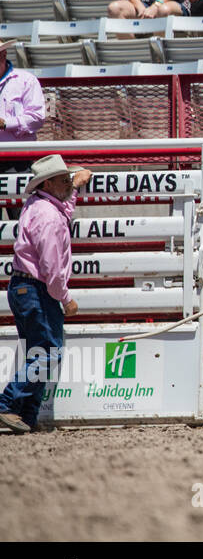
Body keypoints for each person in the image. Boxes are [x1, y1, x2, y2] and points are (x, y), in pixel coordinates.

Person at [0, 156, 93, 433]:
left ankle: (26, 415)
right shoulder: (50, 217)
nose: (69, 182)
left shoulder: (38, 205)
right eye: (64, 179)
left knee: (39, 350)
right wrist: (65, 298)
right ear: (49, 183)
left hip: (23, 286)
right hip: (37, 289)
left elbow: (62, 207)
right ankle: (7, 404)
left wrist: (73, 187)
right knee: (48, 352)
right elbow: (52, 268)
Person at [0, 39, 46, 142]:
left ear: (3, 55)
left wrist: (6, 124)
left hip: (18, 152)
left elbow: (37, 117)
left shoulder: (26, 80)